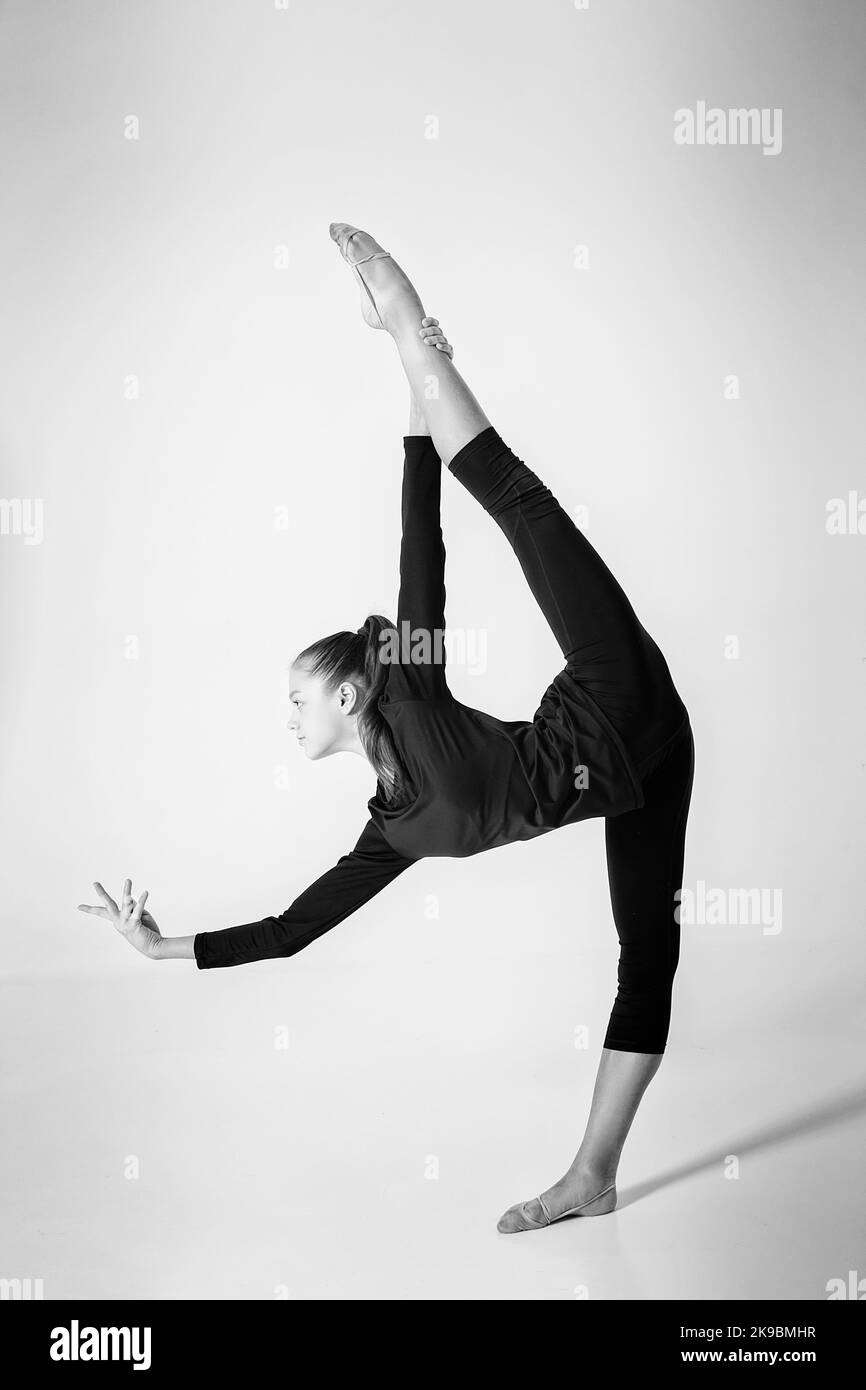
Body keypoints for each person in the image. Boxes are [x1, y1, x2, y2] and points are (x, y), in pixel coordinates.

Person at [79, 224, 695, 1235]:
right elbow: (288, 930)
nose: (287, 715)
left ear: (349, 694)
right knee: (649, 955)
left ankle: (406, 321)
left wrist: (413, 380)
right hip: (649, 764)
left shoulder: (408, 683)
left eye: (297, 696)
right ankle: (593, 1174)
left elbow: (424, 543)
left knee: (515, 501)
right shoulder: (389, 831)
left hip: (611, 690)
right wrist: (161, 950)